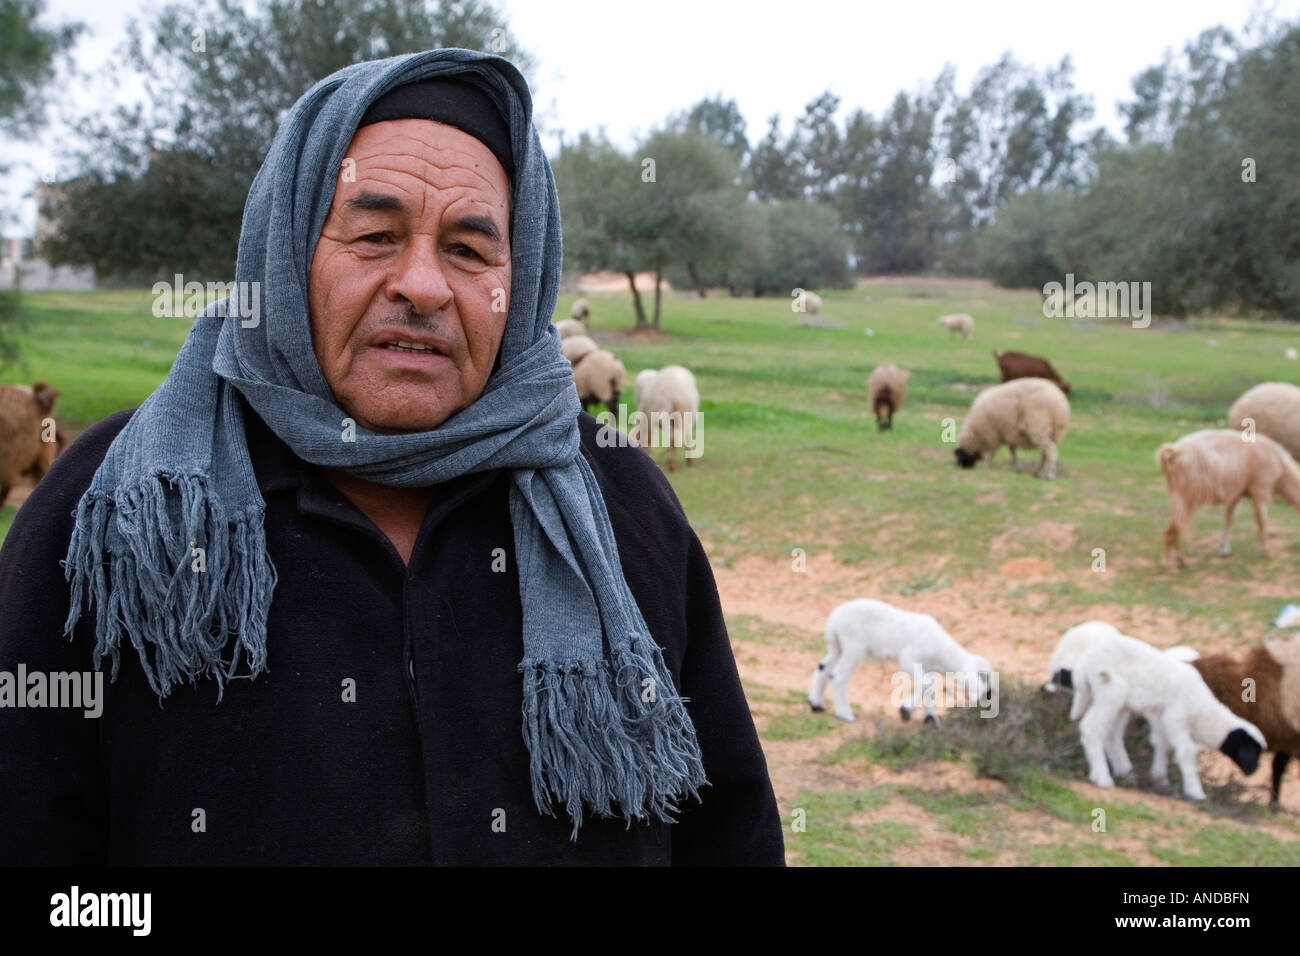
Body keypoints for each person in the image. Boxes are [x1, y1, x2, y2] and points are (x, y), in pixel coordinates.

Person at [0, 48, 785, 865]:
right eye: (374, 235)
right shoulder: (112, 510)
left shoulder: (621, 502)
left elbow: (729, 827)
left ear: (521, 279)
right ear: (288, 250)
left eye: (470, 251)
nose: (423, 285)